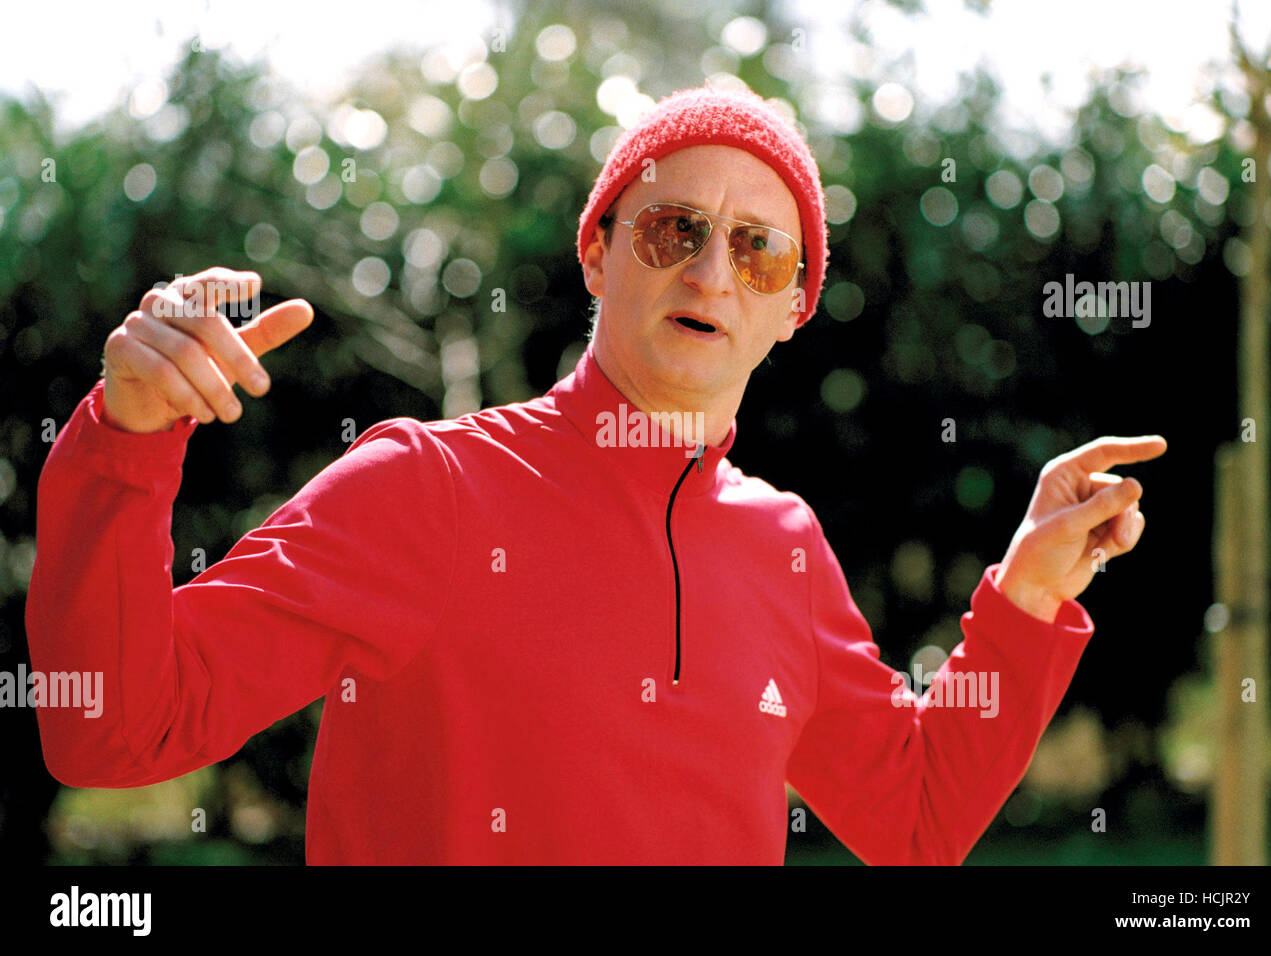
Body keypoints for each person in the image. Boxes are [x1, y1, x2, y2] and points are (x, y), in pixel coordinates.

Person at [26, 86, 1165, 864]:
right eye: (674, 227)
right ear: (597, 249)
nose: (713, 269)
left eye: (757, 246)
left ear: (791, 307)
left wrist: (1024, 599)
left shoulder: (782, 544)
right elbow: (111, 728)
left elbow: (913, 819)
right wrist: (126, 442)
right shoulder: (423, 486)